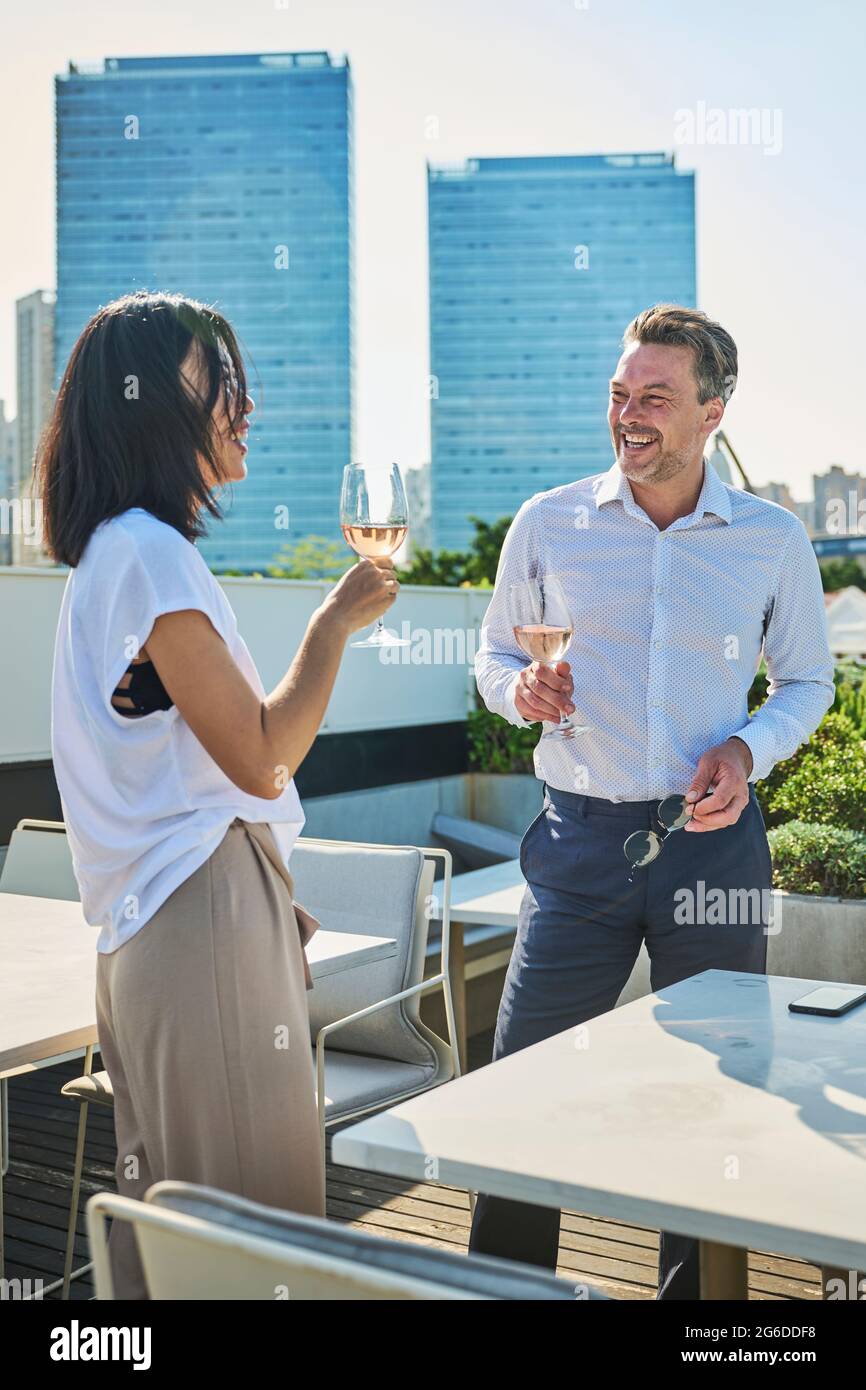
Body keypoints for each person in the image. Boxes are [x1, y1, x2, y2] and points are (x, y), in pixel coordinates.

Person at [467, 303, 835, 1299]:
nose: (628, 418)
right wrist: (516, 691)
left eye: (655, 399)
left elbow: (807, 680)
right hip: (575, 848)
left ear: (713, 410)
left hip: (712, 852)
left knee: (711, 1103)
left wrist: (747, 749)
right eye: (618, 396)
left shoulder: (769, 539)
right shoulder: (548, 522)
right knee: (517, 1093)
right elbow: (495, 657)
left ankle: (700, 1313)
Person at [38, 290, 399, 1298]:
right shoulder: (152, 555)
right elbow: (259, 758)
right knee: (256, 1247)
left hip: (154, 935)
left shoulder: (109, 557)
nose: (247, 405)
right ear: (156, 407)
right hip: (201, 920)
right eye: (222, 385)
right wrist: (333, 622)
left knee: (179, 1244)